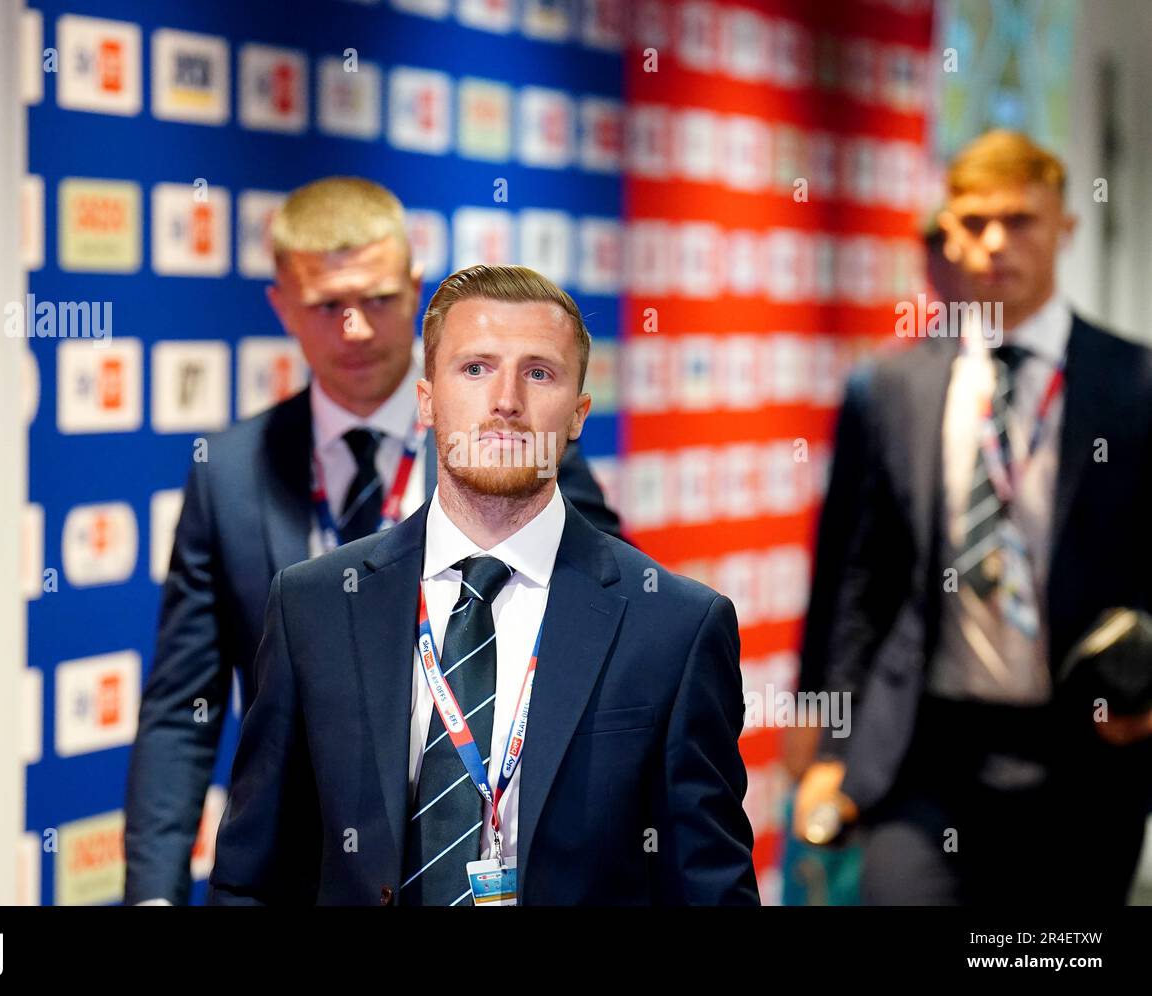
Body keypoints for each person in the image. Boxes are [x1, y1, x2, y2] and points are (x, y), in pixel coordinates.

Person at [124, 179, 620, 906]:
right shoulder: (228, 476)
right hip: (304, 873)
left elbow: (603, 632)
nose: (354, 328)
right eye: (328, 305)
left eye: (379, 300)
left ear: (416, 290)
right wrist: (153, 897)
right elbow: (180, 706)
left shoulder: (511, 440)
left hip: (491, 851)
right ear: (282, 306)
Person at [208, 264, 759, 906]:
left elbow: (710, 888)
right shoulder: (314, 606)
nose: (505, 400)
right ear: (426, 400)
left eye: (539, 372)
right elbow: (252, 876)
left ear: (578, 414)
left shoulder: (675, 627)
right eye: (475, 368)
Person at [793, 130, 1152, 904]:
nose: (995, 243)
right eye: (975, 221)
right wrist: (828, 737)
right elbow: (856, 581)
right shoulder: (893, 387)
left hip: (1083, 752)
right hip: (925, 749)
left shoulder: (1134, 384)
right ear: (948, 230)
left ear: (1065, 227)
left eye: (1020, 221)